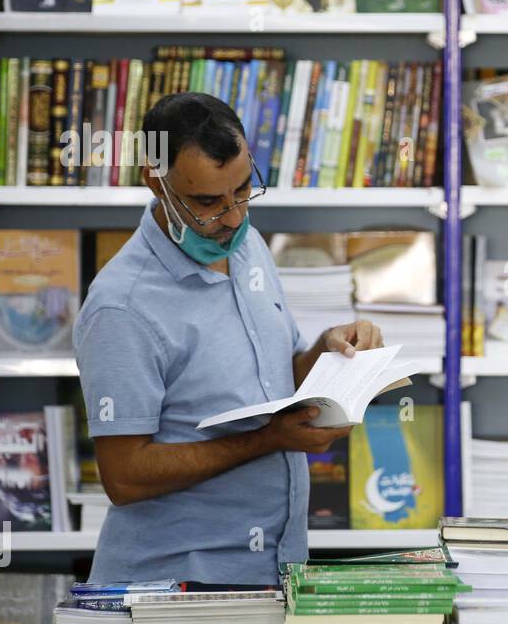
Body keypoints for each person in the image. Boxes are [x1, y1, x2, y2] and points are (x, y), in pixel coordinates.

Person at [73, 92, 383, 585]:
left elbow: (280, 379)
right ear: (155, 181)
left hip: (270, 569)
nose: (234, 216)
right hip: (174, 587)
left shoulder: (245, 245)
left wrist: (328, 349)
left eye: (242, 190)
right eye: (207, 202)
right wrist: (268, 440)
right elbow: (125, 477)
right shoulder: (121, 306)